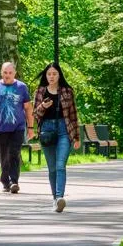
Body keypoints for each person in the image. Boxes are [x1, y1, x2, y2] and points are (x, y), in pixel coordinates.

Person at [30, 63, 79, 212]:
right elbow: (35, 115)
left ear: (59, 76)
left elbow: (73, 115)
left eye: (54, 74)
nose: (51, 77)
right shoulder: (40, 91)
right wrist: (43, 107)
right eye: (49, 74)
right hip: (46, 130)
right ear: (46, 76)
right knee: (52, 168)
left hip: (64, 129)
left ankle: (59, 197)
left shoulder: (67, 91)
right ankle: (54, 199)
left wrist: (76, 137)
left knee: (60, 165)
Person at [0, 60, 31, 194]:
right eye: (5, 72)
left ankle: (14, 181)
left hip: (18, 127)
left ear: (15, 73)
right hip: (0, 129)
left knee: (14, 153)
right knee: (3, 156)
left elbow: (28, 108)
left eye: (10, 72)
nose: (7, 75)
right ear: (1, 73)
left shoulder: (22, 87)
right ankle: (5, 182)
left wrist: (31, 127)